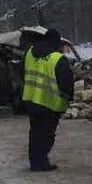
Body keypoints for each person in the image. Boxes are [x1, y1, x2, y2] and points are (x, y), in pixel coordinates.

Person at [20, 28, 74, 172]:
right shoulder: (57, 58)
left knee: (35, 132)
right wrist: (69, 96)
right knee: (47, 134)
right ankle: (42, 161)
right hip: (50, 103)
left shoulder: (30, 52)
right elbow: (66, 81)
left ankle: (35, 162)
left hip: (31, 99)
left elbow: (21, 71)